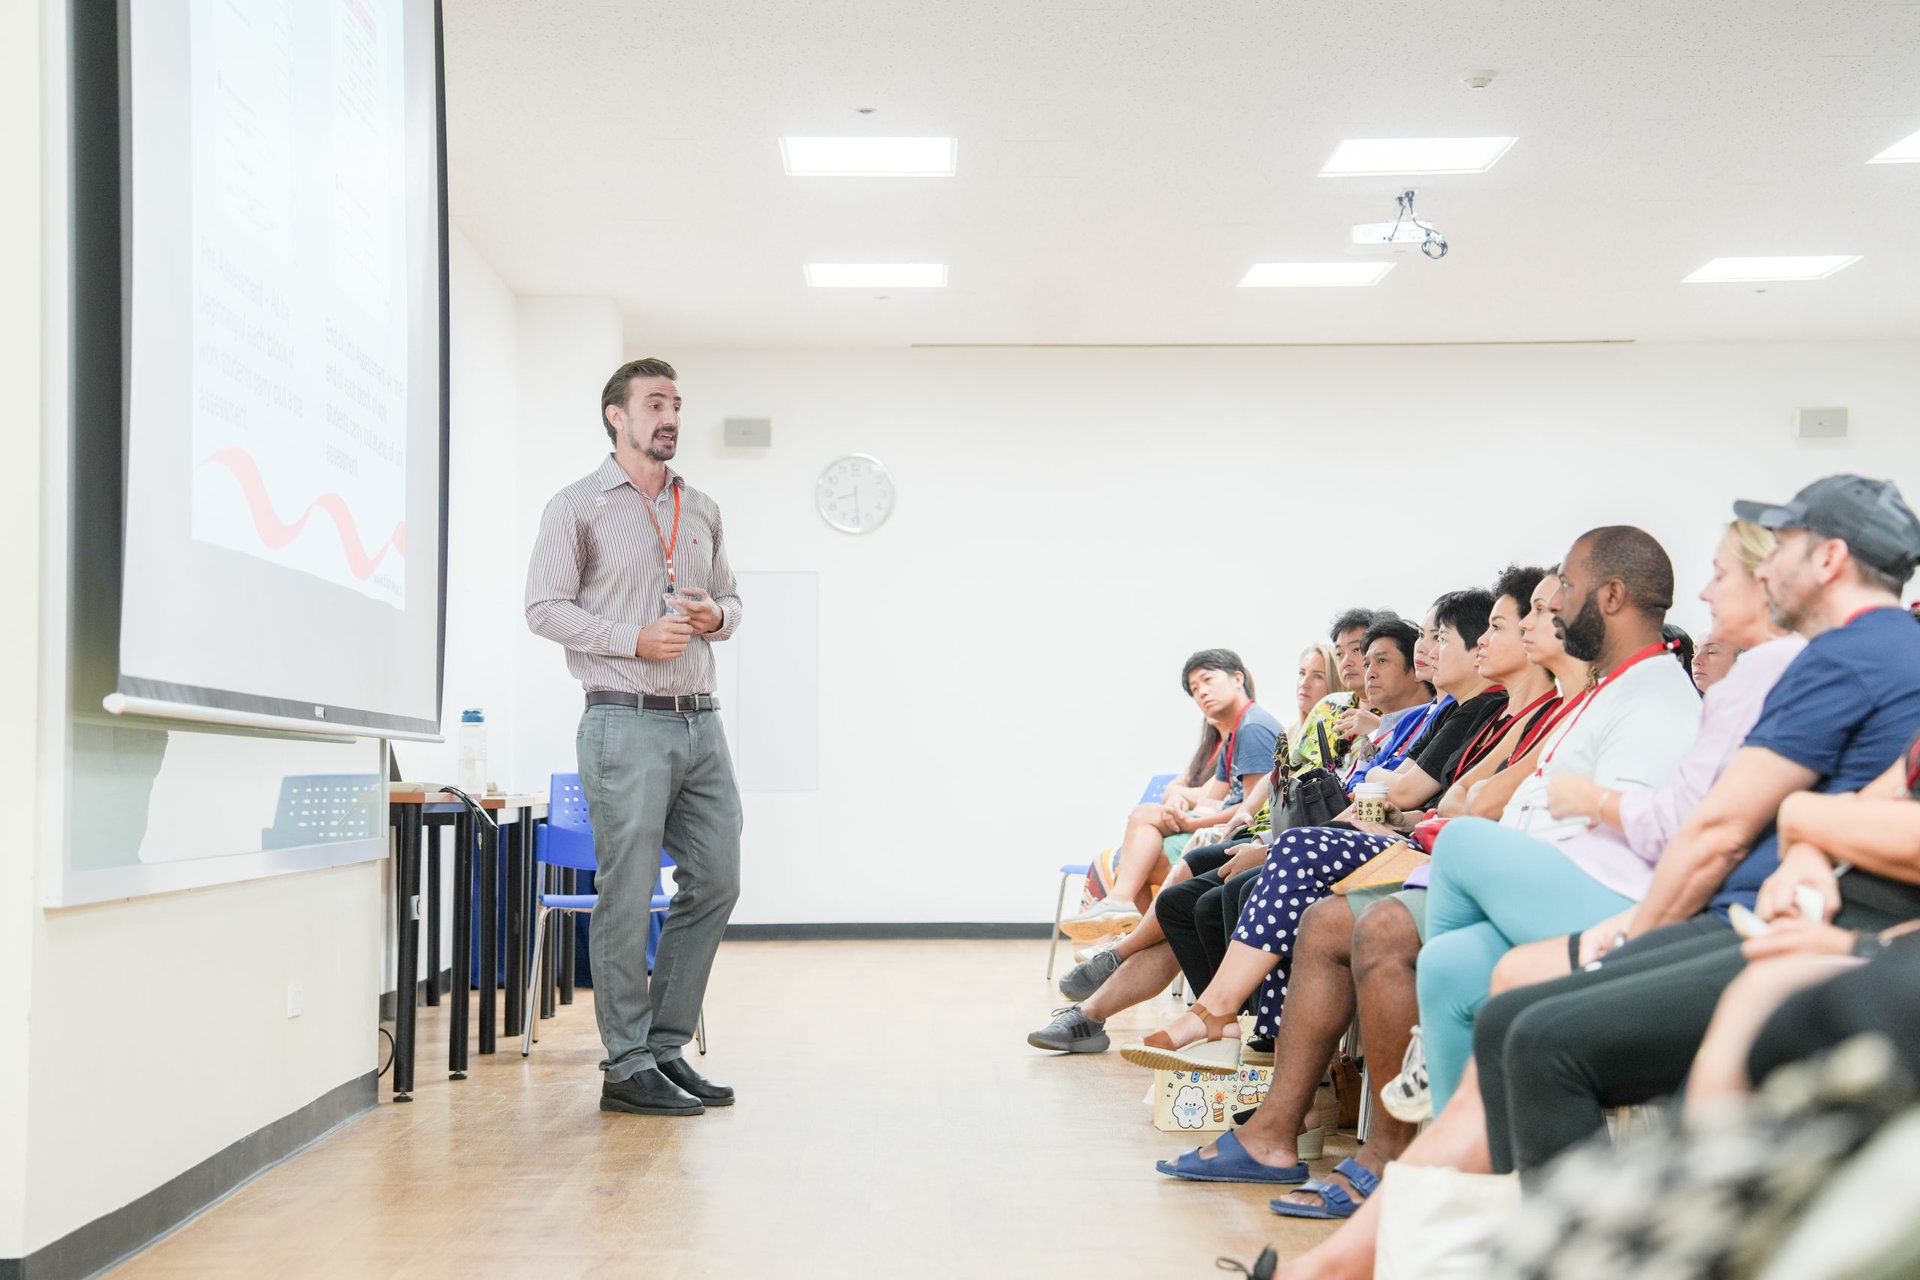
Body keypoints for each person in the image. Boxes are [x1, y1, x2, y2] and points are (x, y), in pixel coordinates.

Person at [1118, 594, 1508, 1075]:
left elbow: (1425, 796)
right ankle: (1252, 1040)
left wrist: (1386, 795)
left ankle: (1244, 1032)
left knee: (1275, 878)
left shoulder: (1481, 709)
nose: (1426, 649)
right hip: (1406, 837)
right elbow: (1415, 795)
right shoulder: (1461, 712)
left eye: (1438, 638)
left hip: (1434, 856)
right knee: (1222, 887)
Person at [1408, 526, 1707, 1114]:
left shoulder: (1657, 697)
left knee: (1464, 843)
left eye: (1566, 589)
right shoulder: (1607, 689)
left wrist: (1543, 819)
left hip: (1619, 905)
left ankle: (1466, 1121)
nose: (1555, 608)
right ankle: (1466, 1152)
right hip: (1566, 882)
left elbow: (1632, 833)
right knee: (1447, 965)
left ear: (1612, 597)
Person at [525, 357, 744, 1118]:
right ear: (616, 415)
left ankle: (664, 1045)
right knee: (625, 892)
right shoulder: (576, 506)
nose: (670, 416)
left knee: (717, 878)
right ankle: (625, 1062)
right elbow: (544, 607)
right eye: (655, 403)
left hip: (700, 719)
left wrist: (717, 617)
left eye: (677, 403)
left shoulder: (702, 507)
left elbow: (731, 598)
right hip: (623, 718)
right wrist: (630, 638)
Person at [1031, 614, 1375, 1055]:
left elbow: (1335, 806)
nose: (1352, 664)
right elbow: (1255, 797)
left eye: (1361, 654)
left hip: (1305, 847)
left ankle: (1157, 991)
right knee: (1177, 892)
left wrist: (1238, 832)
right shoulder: (1314, 721)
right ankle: (1109, 1002)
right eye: (1339, 656)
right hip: (1277, 839)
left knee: (1192, 895)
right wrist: (1206, 813)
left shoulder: (1269, 726)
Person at [1060, 650, 1282, 939]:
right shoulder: (1236, 731)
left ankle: (1130, 937)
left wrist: (1190, 823)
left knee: (1134, 861)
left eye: (1207, 680)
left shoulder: (1253, 728)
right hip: (1217, 827)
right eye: (1194, 689)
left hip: (1237, 838)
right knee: (1139, 842)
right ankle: (1129, 935)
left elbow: (1250, 812)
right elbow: (1209, 796)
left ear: (1237, 678)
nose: (1201, 692)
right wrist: (1178, 805)